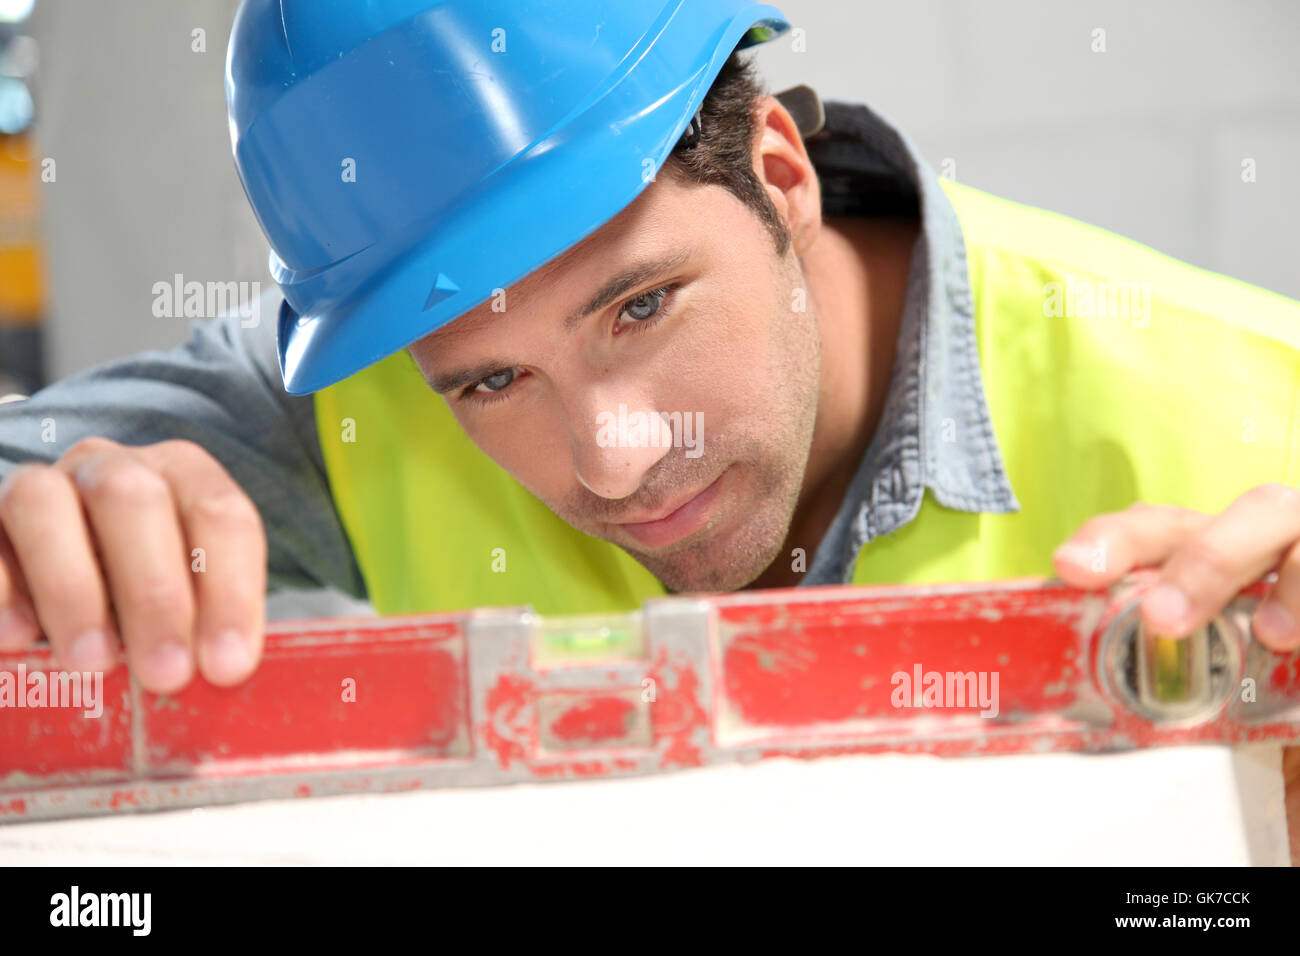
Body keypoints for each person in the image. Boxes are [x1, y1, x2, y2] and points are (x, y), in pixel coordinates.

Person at [0, 0, 1297, 809]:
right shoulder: (336, 409)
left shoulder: (1263, 418)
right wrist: (32, 533)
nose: (613, 467)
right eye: (492, 383)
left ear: (782, 174)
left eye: (640, 307)